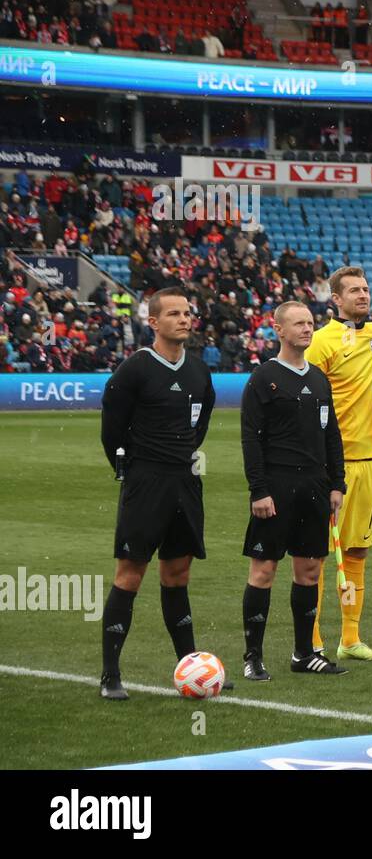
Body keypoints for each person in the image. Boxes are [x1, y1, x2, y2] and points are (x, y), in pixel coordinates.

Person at [97, 287, 215, 700]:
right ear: (153, 322)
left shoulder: (200, 370)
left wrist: (180, 458)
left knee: (177, 575)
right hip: (146, 483)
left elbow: (201, 425)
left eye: (188, 313)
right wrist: (134, 471)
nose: (185, 319)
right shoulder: (134, 371)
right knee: (130, 575)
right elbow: (111, 432)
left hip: (186, 482)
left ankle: (191, 668)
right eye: (175, 314)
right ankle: (111, 675)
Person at [239, 301, 347, 678]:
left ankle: (303, 654)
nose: (306, 329)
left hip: (315, 487)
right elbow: (250, 438)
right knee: (264, 570)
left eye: (310, 323)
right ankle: (253, 656)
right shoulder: (263, 377)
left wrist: (337, 483)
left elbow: (331, 434)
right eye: (298, 323)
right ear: (279, 330)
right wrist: (259, 490)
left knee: (310, 570)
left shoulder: (318, 378)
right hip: (276, 487)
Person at [304, 267, 372, 663]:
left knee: (356, 551)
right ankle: (314, 639)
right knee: (317, 554)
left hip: (367, 461)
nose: (363, 295)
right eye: (354, 290)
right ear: (335, 298)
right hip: (327, 467)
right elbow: (304, 402)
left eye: (366, 289)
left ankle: (351, 639)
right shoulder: (319, 343)